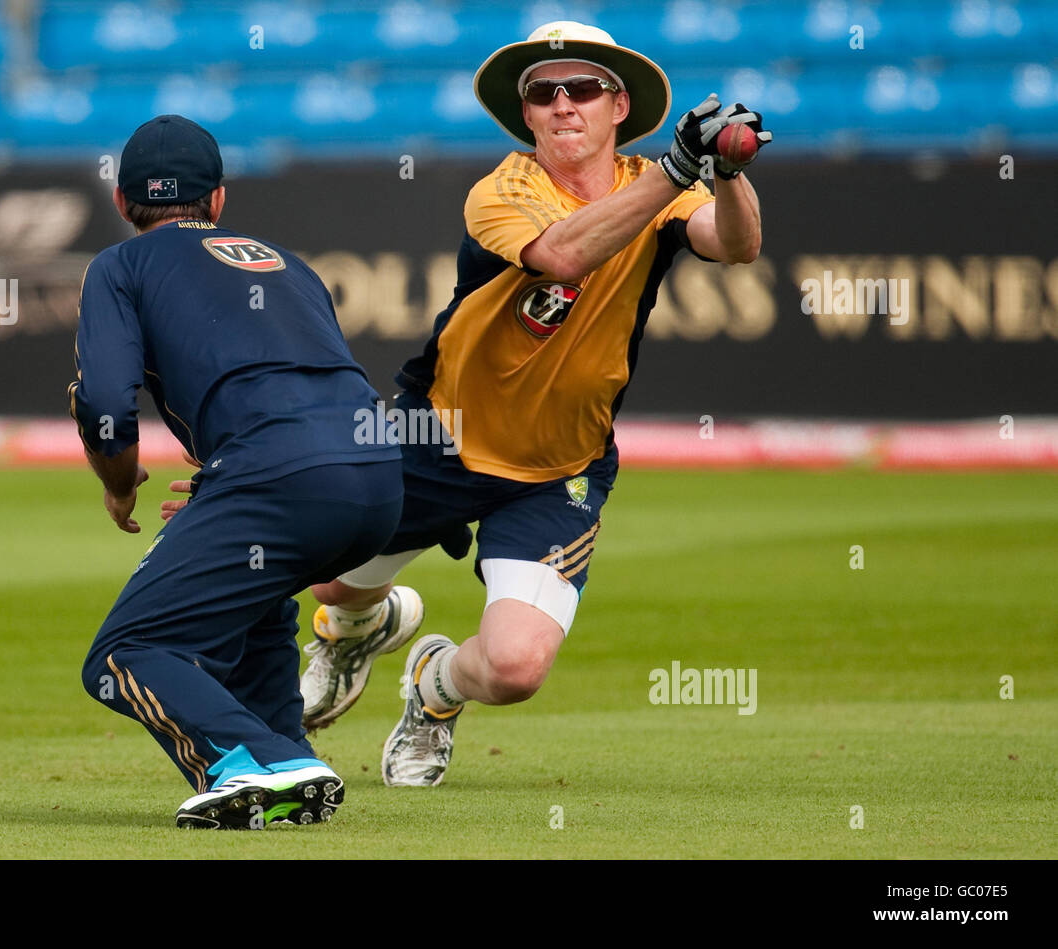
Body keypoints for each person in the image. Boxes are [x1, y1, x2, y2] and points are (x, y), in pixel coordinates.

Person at [296, 21, 771, 786]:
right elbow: (562, 253)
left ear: (618, 105)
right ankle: (357, 630)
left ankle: (432, 685)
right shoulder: (503, 190)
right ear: (527, 116)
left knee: (516, 667)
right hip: (440, 429)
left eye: (581, 88)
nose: (561, 104)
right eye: (542, 93)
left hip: (560, 462)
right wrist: (680, 169)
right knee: (330, 581)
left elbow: (738, 243)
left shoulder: (656, 187)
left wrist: (723, 169)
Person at [71, 115, 402, 827]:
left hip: (278, 470)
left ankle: (245, 757)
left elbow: (103, 402)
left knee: (124, 653)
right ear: (218, 201)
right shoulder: (291, 264)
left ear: (124, 204)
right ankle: (288, 755)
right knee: (255, 591)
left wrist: (119, 481)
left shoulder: (119, 266)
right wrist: (232, 480)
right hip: (379, 473)